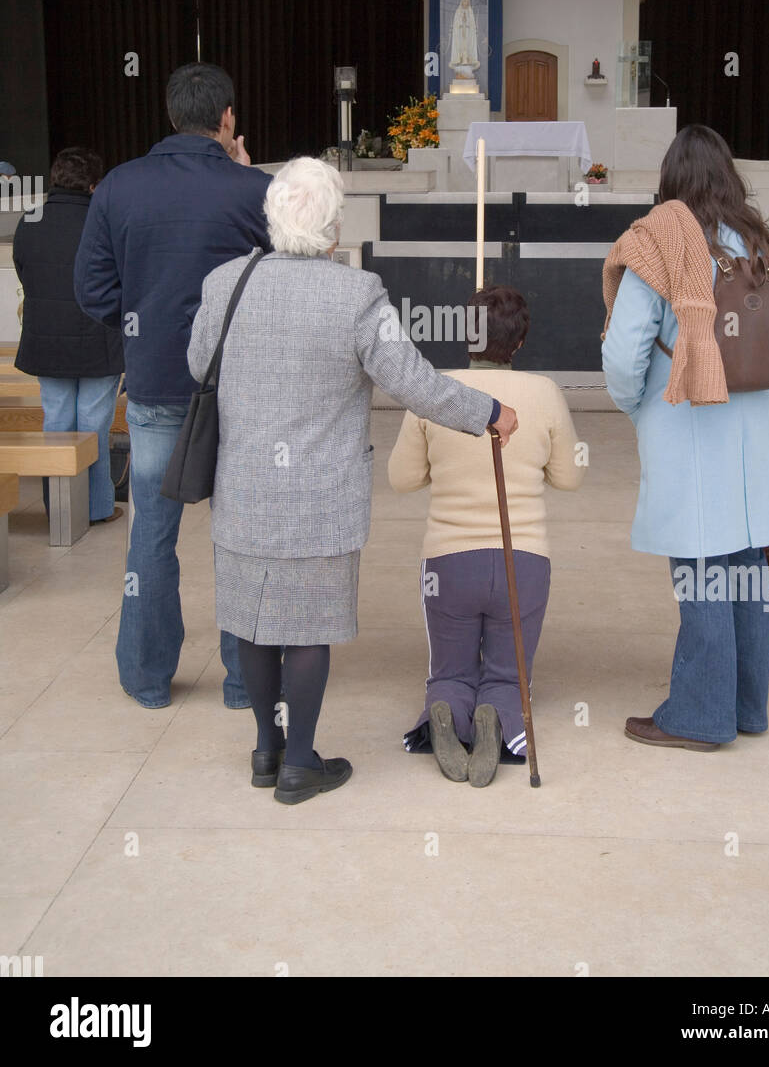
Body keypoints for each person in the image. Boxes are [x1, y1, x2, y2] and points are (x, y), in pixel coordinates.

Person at [187, 158, 518, 805]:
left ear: (273, 217)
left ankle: (266, 750)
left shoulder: (225, 282)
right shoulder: (356, 294)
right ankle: (301, 761)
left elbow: (199, 362)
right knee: (307, 629)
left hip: (246, 489)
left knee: (253, 625)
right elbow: (415, 385)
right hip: (319, 497)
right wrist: (487, 413)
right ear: (334, 228)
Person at [74, 63, 272, 710]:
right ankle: (244, 684)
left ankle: (148, 677)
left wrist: (146, 327)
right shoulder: (253, 190)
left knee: (151, 537)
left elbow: (93, 290)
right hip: (238, 391)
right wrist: (243, 167)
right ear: (228, 118)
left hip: (157, 387)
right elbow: (284, 281)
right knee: (239, 538)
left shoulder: (120, 188)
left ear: (169, 115)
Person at [601, 124, 769, 751]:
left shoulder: (659, 249)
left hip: (688, 424)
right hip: (757, 433)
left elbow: (626, 352)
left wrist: (637, 407)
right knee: (744, 570)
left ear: (671, 183)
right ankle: (746, 706)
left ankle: (699, 716)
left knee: (704, 568)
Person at [388, 285, 584, 785]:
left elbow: (402, 479)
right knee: (509, 676)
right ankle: (498, 713)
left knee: (449, 671)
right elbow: (568, 478)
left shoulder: (432, 392)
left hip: (448, 564)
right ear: (520, 343)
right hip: (525, 562)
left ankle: (448, 711)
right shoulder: (546, 392)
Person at [13, 147, 124, 524]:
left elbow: (25, 270)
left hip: (47, 340)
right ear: (95, 184)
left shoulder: (31, 218)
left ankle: (59, 509)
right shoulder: (105, 217)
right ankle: (95, 509)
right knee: (93, 424)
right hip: (99, 338)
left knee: (57, 423)